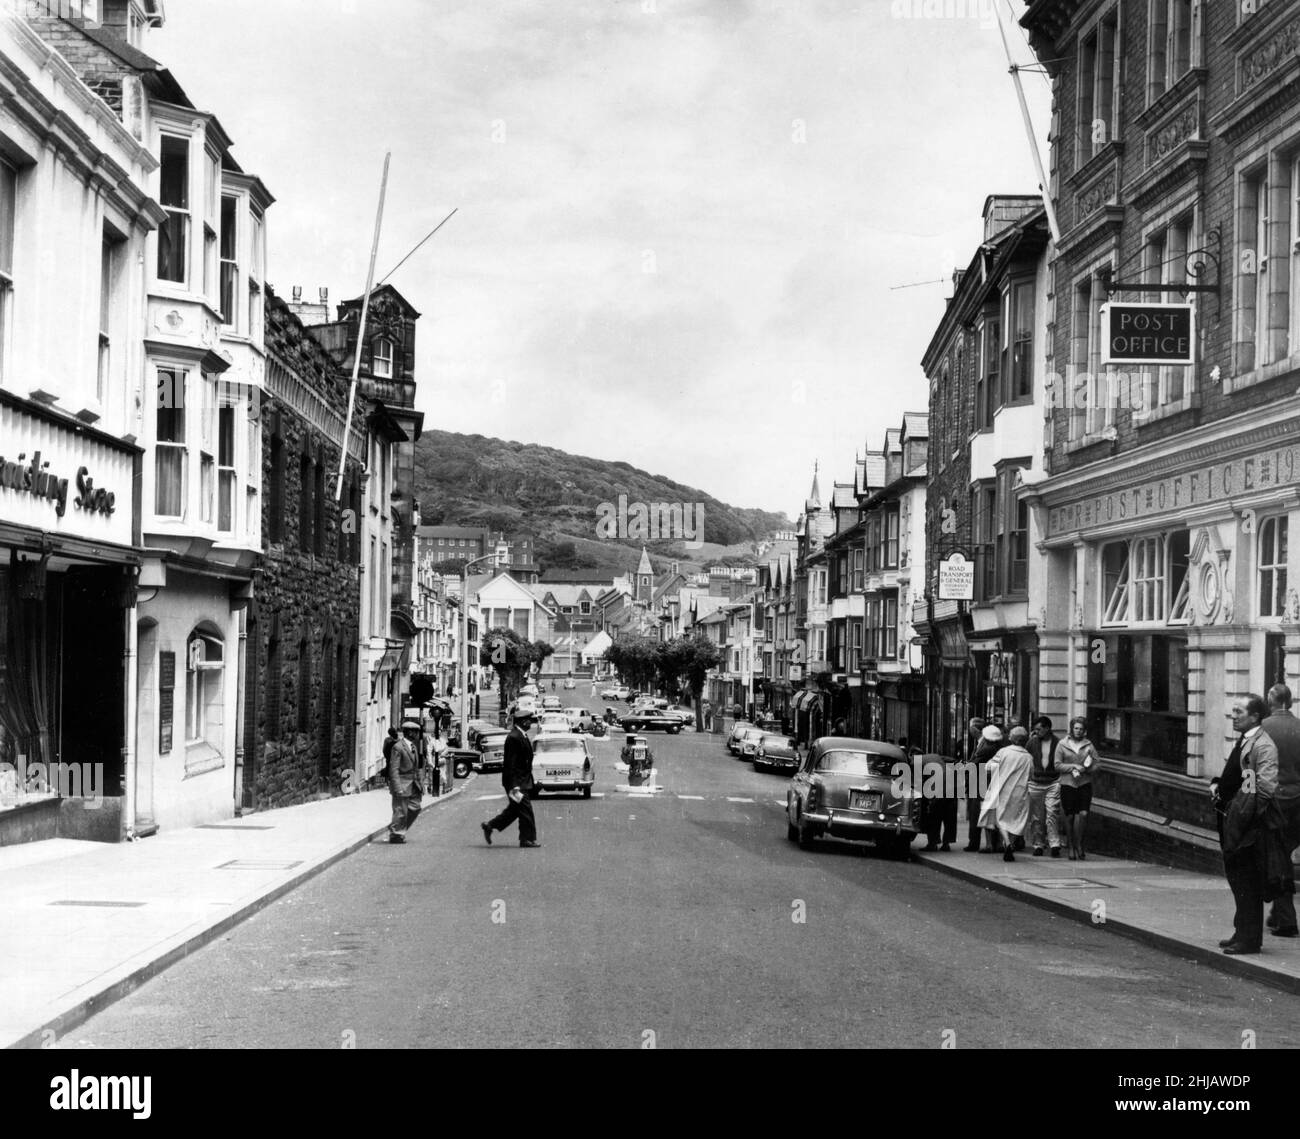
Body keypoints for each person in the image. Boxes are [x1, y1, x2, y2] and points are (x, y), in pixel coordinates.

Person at [1261, 684, 1300, 937]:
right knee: (1283, 852)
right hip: (1298, 802)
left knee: (1277, 856)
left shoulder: (1262, 728)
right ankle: (1278, 913)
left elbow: (1250, 767)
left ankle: (1286, 918)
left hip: (1273, 801)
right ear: (1291, 701)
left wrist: (1247, 797)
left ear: (1270, 701)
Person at [481, 707, 540, 848]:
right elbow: (510, 764)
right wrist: (514, 785)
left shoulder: (521, 735)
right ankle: (526, 839)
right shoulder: (514, 737)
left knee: (515, 810)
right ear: (522, 722)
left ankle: (489, 826)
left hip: (522, 781)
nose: (530, 723)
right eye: (528, 720)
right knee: (526, 811)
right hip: (516, 782)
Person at [978, 725, 1032, 862]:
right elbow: (1032, 774)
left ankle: (1007, 842)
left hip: (1003, 790)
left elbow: (989, 767)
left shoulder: (1004, 752)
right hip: (1020, 792)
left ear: (1012, 738)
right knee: (1016, 820)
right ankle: (1011, 844)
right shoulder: (1028, 757)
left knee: (1000, 818)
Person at [1057, 716, 1100, 860]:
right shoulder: (1062, 744)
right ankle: (1070, 846)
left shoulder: (1088, 745)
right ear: (1072, 729)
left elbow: (1097, 764)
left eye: (1081, 729)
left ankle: (1079, 844)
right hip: (1068, 783)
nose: (1078, 731)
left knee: (1083, 814)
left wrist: (1086, 770)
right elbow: (1057, 765)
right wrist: (1073, 767)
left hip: (1084, 783)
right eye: (1076, 728)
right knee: (1069, 816)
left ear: (1084, 731)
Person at [1027, 716, 1064, 857]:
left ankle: (1054, 844)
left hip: (1053, 782)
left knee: (1052, 812)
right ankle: (1038, 844)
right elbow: (1027, 760)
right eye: (1035, 729)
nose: (1036, 732)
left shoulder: (1058, 743)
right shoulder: (1032, 742)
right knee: (1037, 817)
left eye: (1039, 729)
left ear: (1047, 728)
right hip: (1035, 782)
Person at [387, 721, 423, 844]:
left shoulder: (413, 746)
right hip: (402, 783)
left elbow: (416, 767)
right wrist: (397, 787)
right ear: (409, 732)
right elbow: (394, 768)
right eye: (416, 731)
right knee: (400, 811)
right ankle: (396, 834)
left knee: (415, 808)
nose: (417, 734)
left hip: (413, 784)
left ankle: (397, 828)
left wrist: (421, 784)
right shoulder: (398, 747)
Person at [962, 717, 987, 851]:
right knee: (974, 814)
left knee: (975, 814)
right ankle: (973, 842)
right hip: (974, 783)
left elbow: (976, 762)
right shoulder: (979, 742)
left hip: (978, 784)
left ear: (975, 729)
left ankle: (974, 843)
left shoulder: (984, 744)